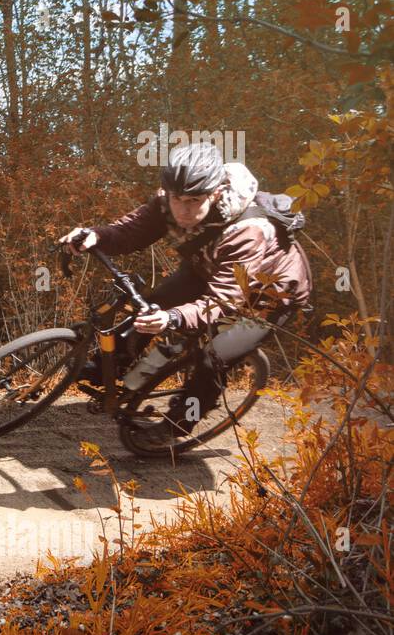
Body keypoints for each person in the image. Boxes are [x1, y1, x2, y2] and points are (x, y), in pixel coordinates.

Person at [57, 142, 313, 448]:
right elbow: (130, 231)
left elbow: (224, 299)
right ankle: (109, 373)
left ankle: (177, 425)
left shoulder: (249, 230)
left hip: (266, 296)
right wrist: (95, 235)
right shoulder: (167, 201)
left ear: (216, 193)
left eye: (194, 201)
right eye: (177, 199)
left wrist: (174, 318)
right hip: (209, 269)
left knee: (212, 358)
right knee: (149, 307)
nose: (183, 210)